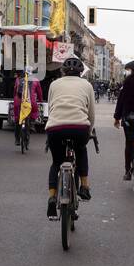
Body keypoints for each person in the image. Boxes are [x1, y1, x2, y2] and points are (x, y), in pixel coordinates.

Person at [45, 56, 96, 217]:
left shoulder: (54, 84)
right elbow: (91, 113)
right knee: (81, 151)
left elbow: (50, 107)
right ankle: (84, 187)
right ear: (81, 72)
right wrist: (89, 130)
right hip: (79, 127)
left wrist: (51, 124)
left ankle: (52, 198)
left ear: (63, 71)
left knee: (56, 162)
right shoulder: (87, 85)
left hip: (55, 127)